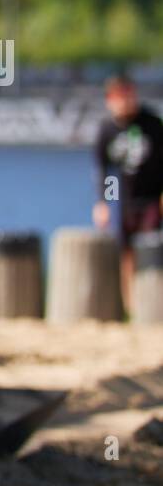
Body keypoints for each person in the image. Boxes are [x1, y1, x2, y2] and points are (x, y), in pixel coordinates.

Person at [93, 72, 163, 310]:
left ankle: (155, 305)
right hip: (125, 200)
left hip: (153, 198)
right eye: (119, 97)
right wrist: (104, 203)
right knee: (127, 254)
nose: (125, 102)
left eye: (128, 96)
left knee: (153, 249)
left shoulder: (152, 124)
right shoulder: (107, 130)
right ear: (110, 100)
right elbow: (105, 171)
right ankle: (132, 308)